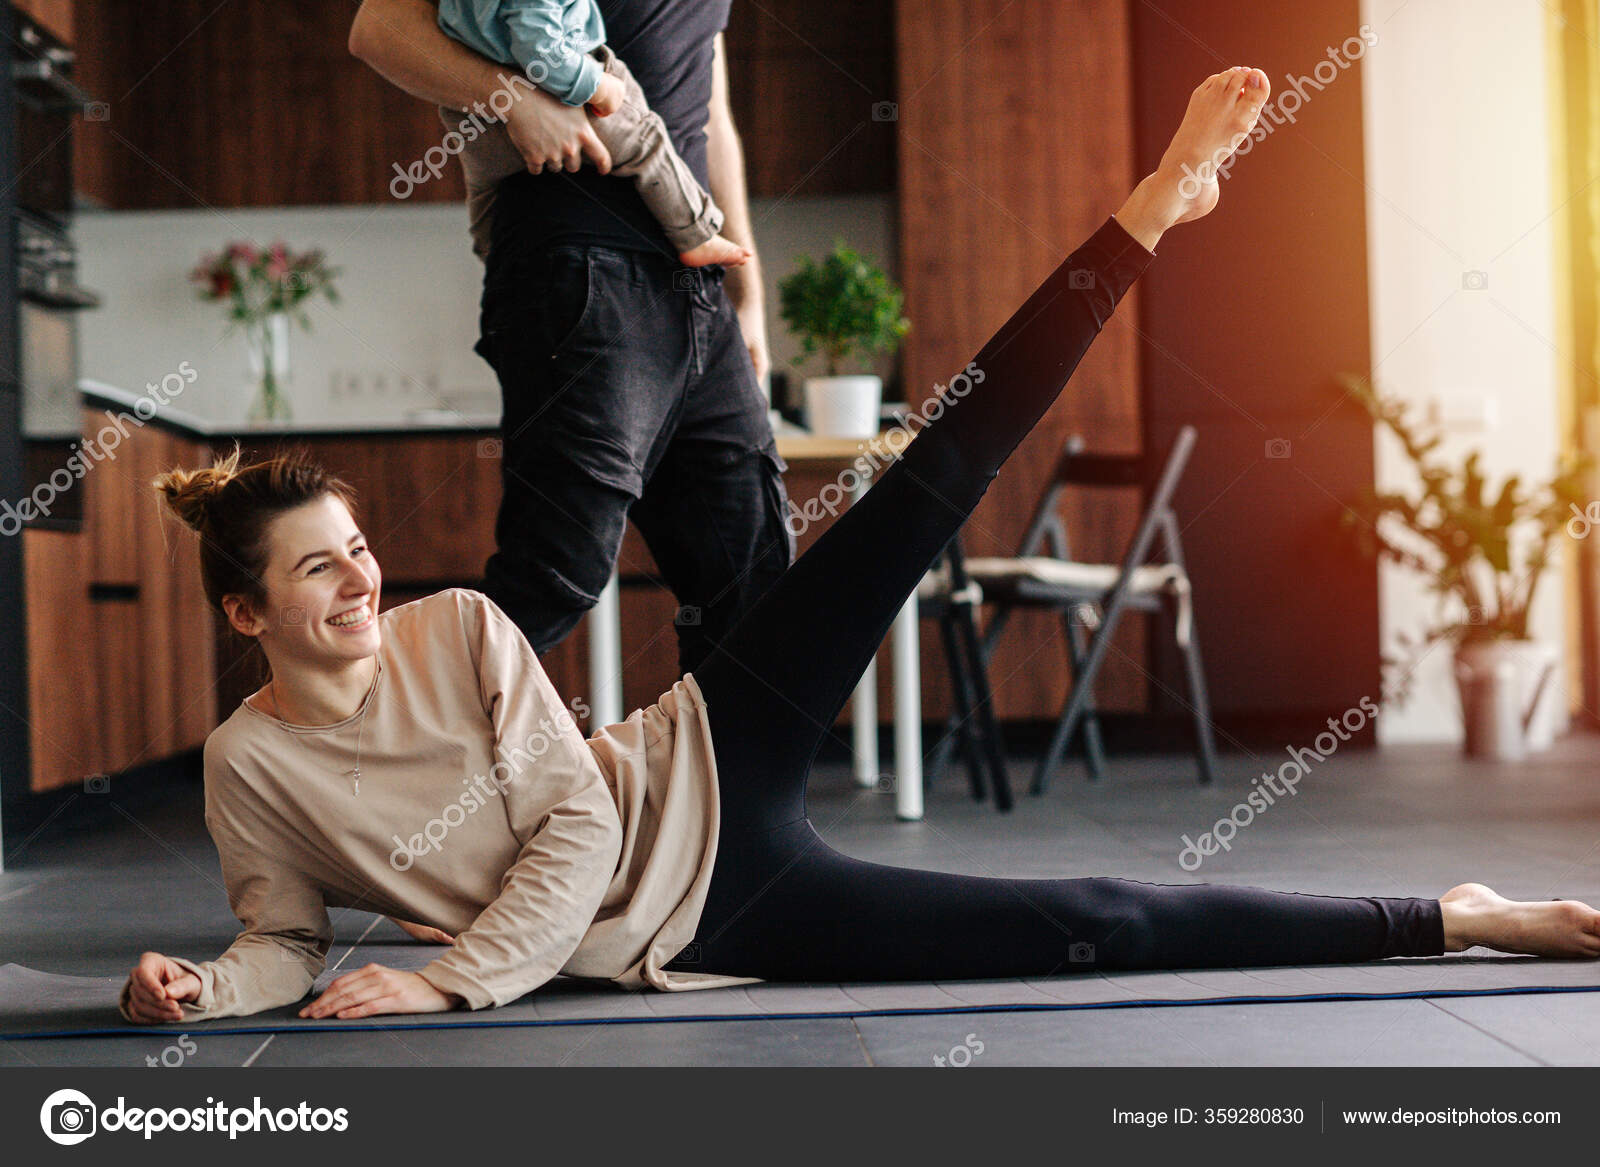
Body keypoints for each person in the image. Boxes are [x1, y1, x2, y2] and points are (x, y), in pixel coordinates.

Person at [121, 68, 1600, 1025]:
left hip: (707, 760)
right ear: (248, 615)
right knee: (1092, 920)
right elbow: (283, 935)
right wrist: (199, 989)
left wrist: (453, 982)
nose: (362, 578)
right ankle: (1458, 915)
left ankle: (1150, 213)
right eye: (318, 568)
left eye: (357, 547)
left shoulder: (459, 629)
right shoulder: (248, 766)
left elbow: (578, 828)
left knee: (922, 480)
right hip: (730, 909)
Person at [351, 0, 792, 678]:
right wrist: (514, 99)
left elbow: (712, 114)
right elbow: (378, 31)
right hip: (582, 262)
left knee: (752, 584)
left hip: (697, 285)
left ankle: (720, 761)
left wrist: (749, 297)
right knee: (556, 572)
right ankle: (371, 733)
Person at [434, 0, 750, 268]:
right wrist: (598, 86)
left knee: (484, 189)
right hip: (557, 92)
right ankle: (695, 235)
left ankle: (489, 251)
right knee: (646, 142)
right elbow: (541, 49)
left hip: (475, 114)